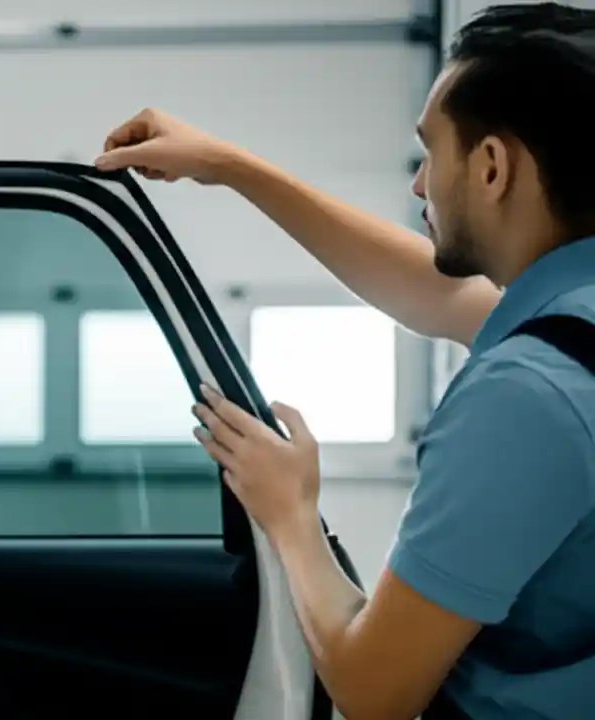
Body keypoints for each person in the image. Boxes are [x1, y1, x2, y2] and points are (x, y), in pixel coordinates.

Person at [95, 3, 595, 719]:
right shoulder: (574, 334)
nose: (420, 185)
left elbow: (373, 691)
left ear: (490, 167)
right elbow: (435, 293)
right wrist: (231, 168)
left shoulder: (525, 398)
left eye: (432, 152)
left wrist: (290, 515)